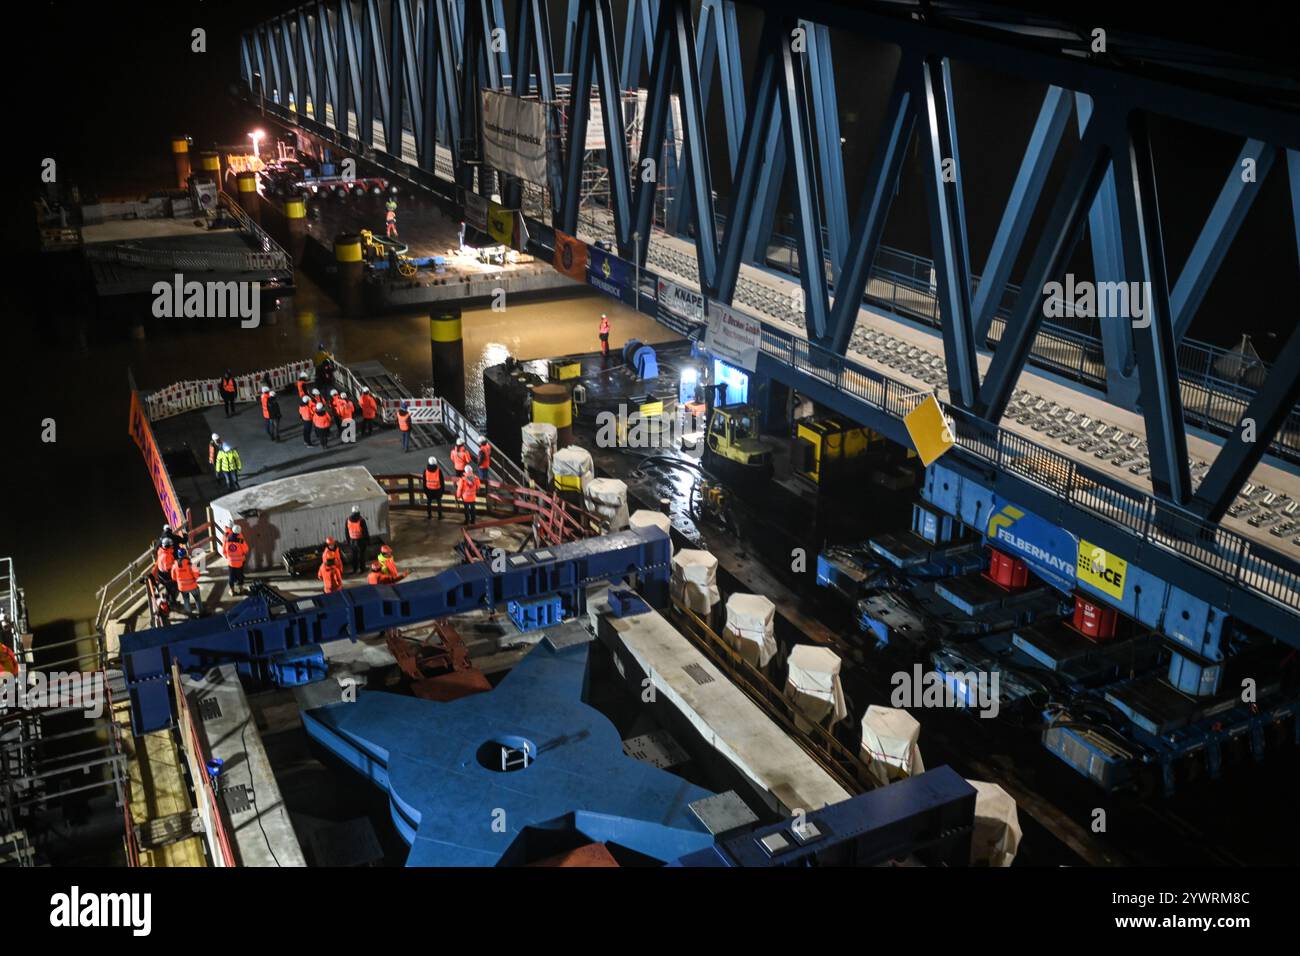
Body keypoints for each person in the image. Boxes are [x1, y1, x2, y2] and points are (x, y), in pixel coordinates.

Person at [172, 547, 203, 617]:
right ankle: (201, 614)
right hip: (192, 586)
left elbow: (173, 577)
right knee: (197, 600)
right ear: (185, 554)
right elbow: (197, 575)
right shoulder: (190, 564)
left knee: (186, 601)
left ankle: (191, 616)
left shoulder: (174, 565)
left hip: (182, 588)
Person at [224, 524, 250, 595]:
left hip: (230, 562)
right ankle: (241, 590)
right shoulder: (240, 540)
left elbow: (225, 549)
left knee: (231, 577)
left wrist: (227, 556)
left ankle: (232, 591)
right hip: (239, 563)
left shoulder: (227, 539)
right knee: (240, 576)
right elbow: (246, 550)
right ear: (239, 532)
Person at [344, 506, 368, 574]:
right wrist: (367, 541)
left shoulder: (348, 520)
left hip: (352, 541)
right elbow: (365, 532)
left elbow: (346, 531)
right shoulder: (361, 520)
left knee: (354, 556)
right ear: (358, 511)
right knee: (361, 555)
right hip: (360, 541)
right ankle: (362, 569)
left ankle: (355, 569)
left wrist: (348, 541)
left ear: (352, 512)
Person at [154, 536, 178, 603]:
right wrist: (175, 566)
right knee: (173, 589)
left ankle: (168, 598)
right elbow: (168, 568)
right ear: (168, 546)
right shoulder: (166, 556)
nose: (172, 546)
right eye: (171, 545)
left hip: (162, 575)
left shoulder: (161, 551)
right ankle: (172, 602)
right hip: (167, 576)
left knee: (168, 588)